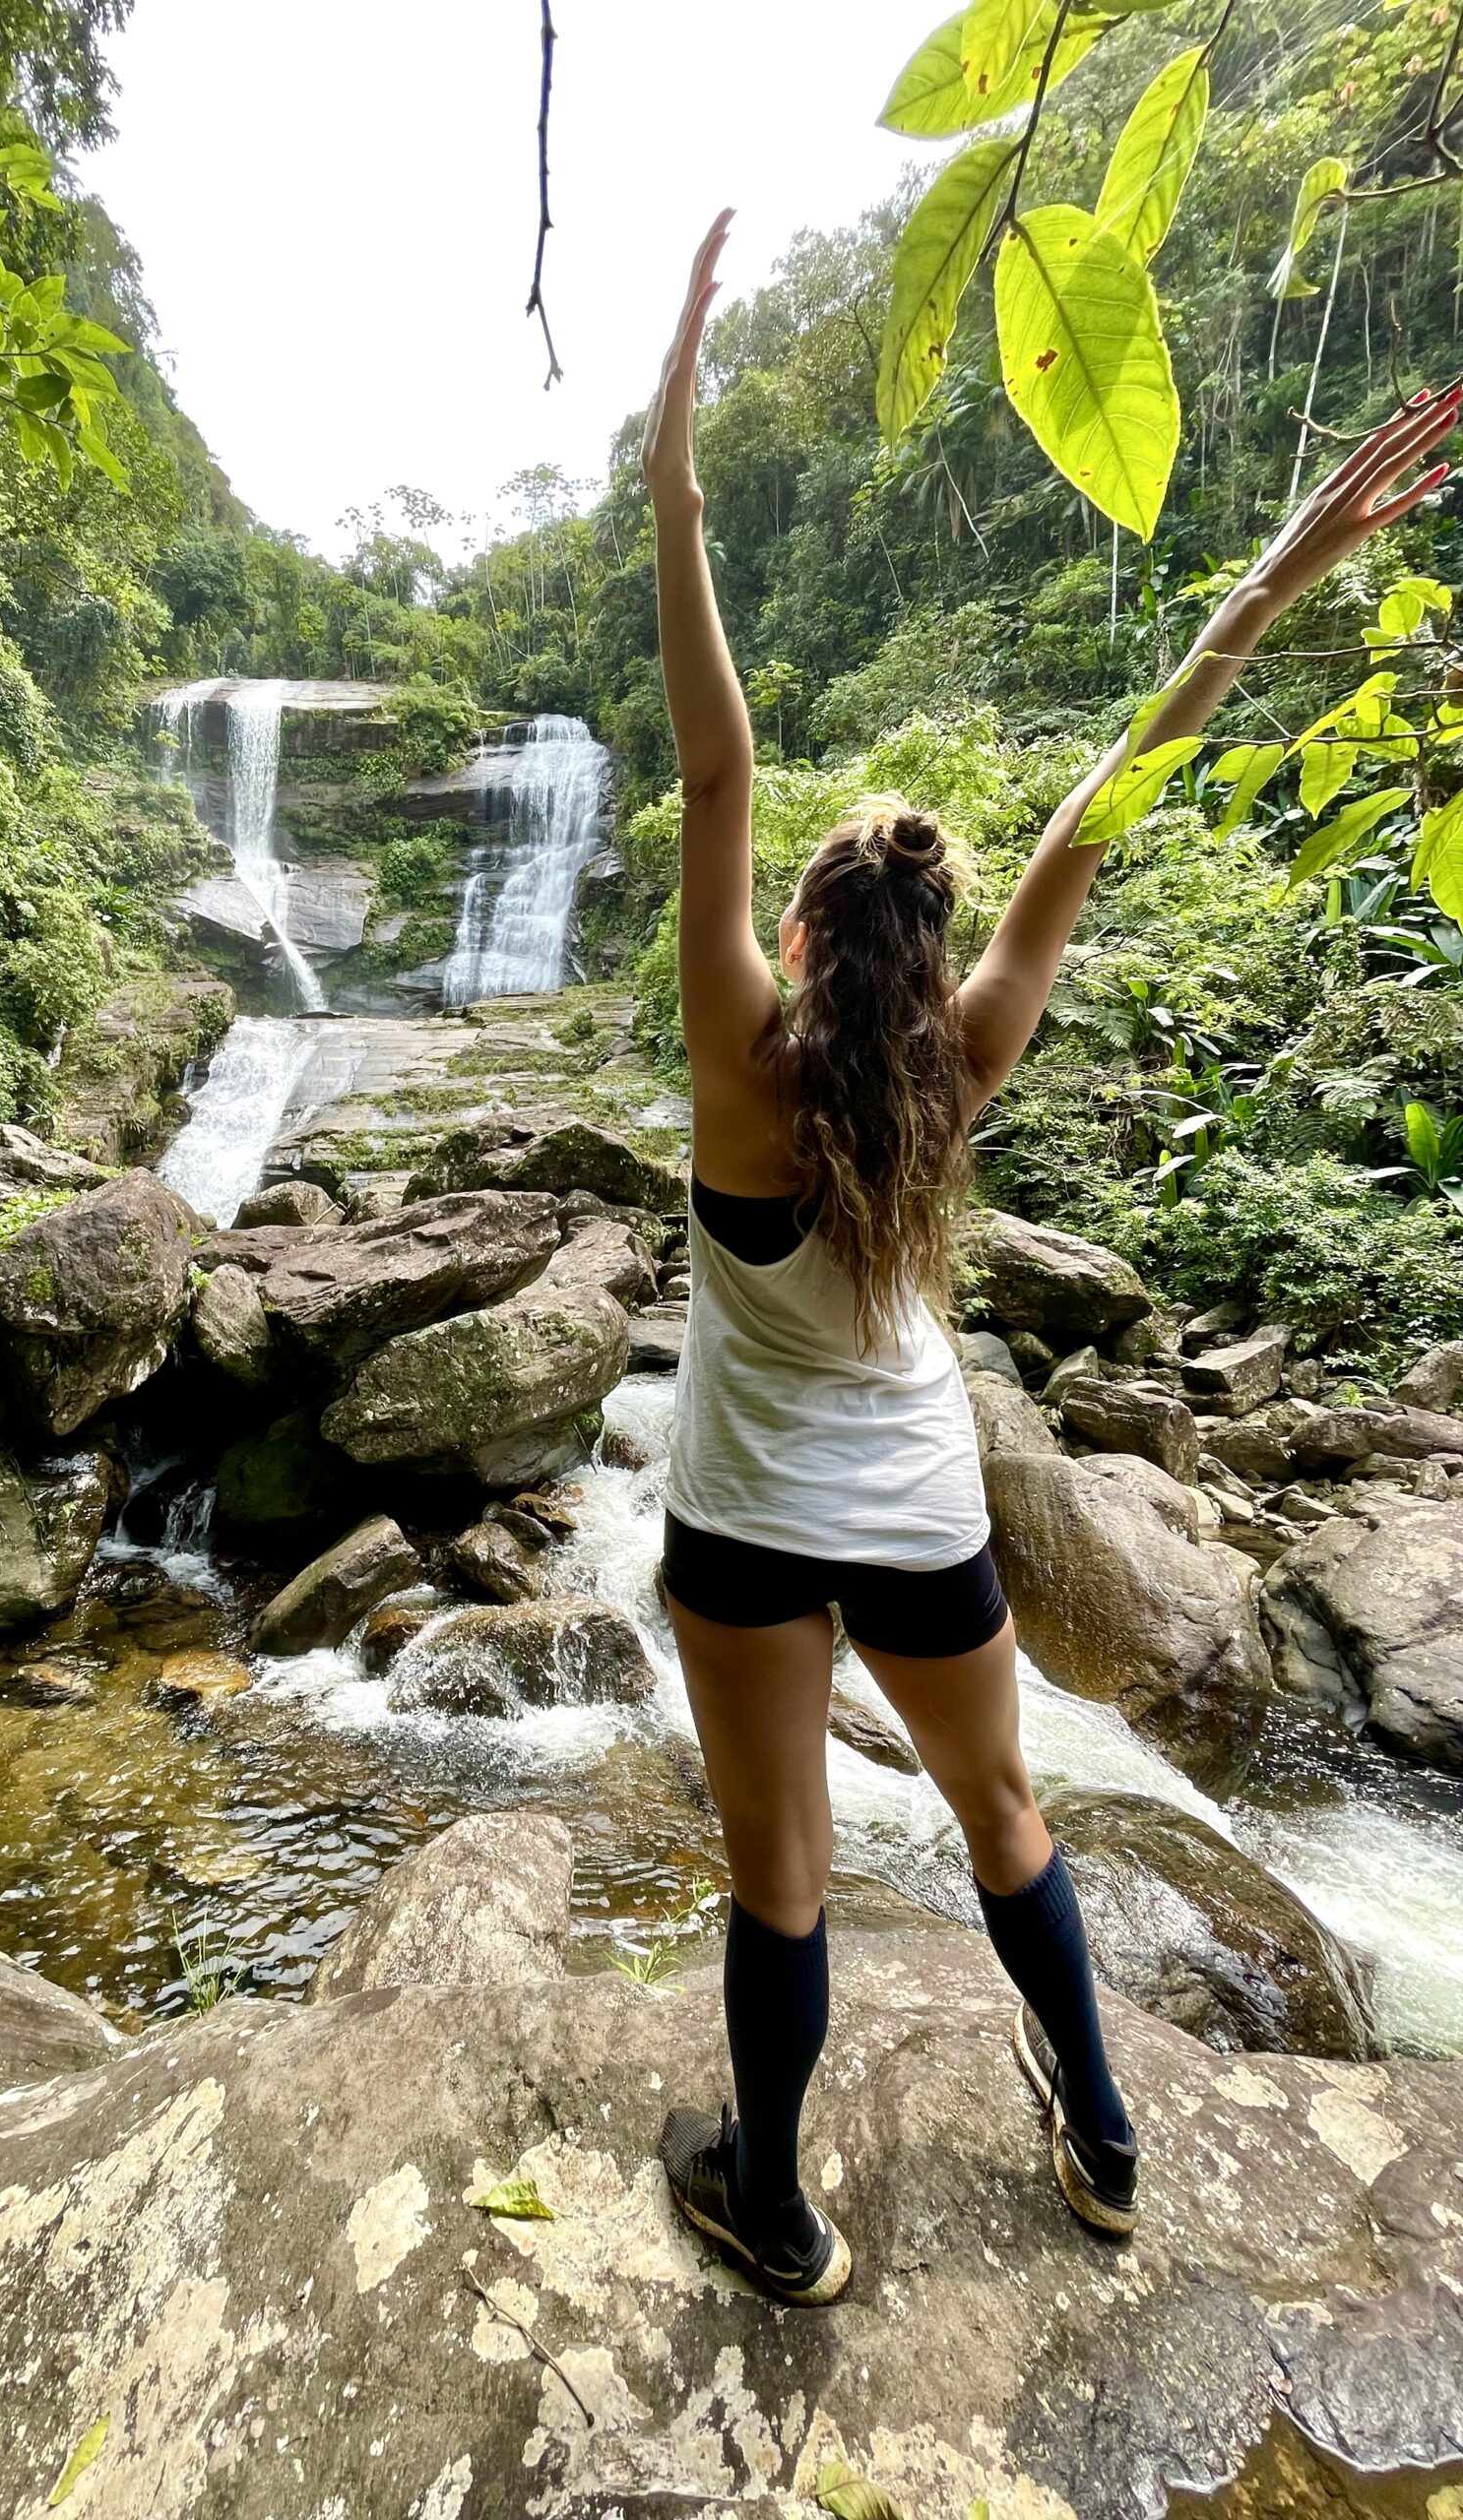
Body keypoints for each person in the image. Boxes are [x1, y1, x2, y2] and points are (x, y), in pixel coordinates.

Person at [643, 207, 1458, 2306]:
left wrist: (675, 481)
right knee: (1007, 1808)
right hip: (924, 1506)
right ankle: (1102, 2138)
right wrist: (1281, 580)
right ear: (930, 963)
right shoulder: (958, 1067)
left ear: (802, 937)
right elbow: (1104, 807)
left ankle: (783, 2201)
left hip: (748, 1519)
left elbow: (715, 761)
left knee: (783, 1865)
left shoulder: (744, 1063)